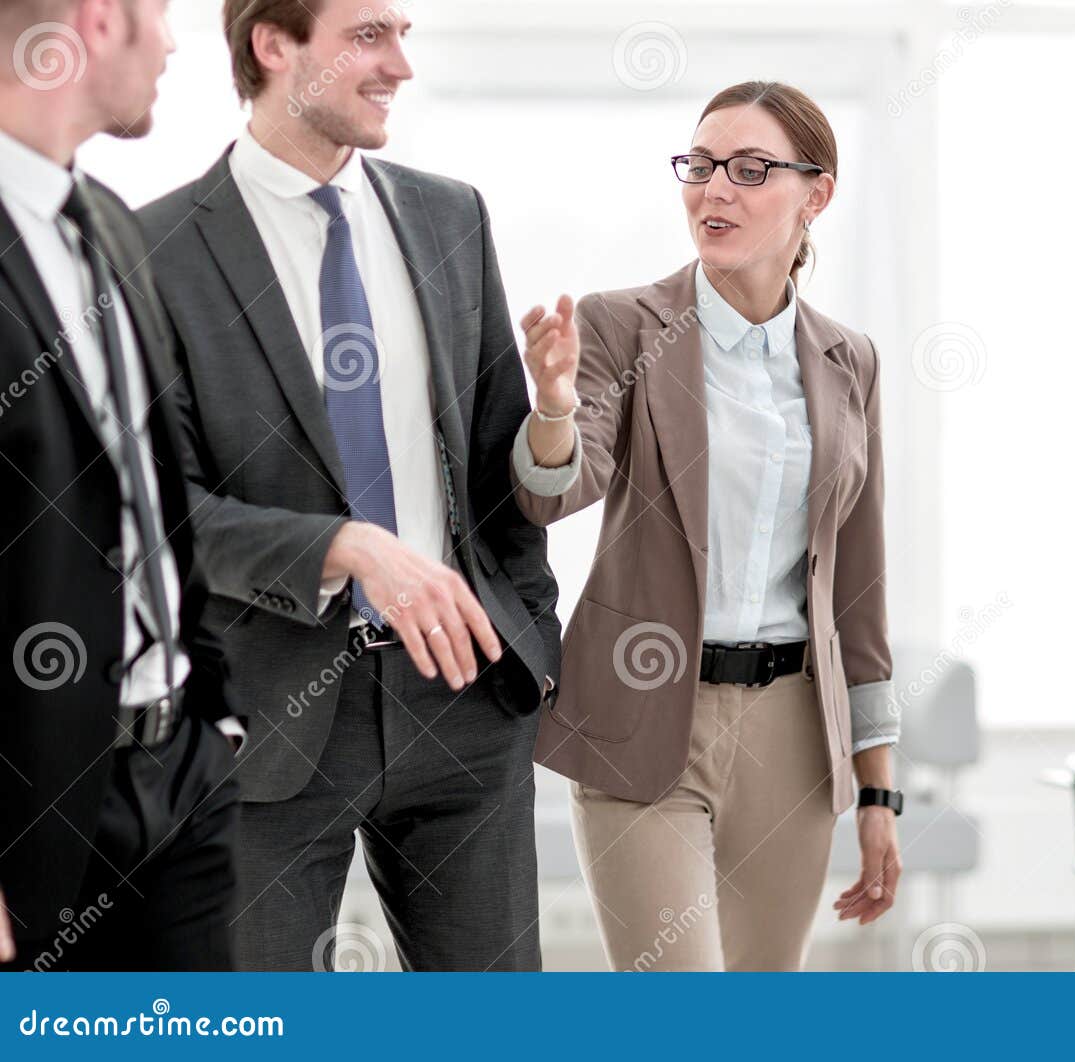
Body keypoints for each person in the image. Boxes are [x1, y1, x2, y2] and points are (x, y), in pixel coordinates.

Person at [137, 0, 566, 971]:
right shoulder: (152, 252)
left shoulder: (449, 214)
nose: (401, 66)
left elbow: (499, 462)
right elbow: (158, 515)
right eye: (369, 36)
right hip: (268, 721)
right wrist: (344, 545)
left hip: (464, 693)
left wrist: (528, 636)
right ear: (274, 45)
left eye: (403, 34)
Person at [514, 81, 900, 971]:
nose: (714, 189)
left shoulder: (852, 361)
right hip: (645, 717)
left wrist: (880, 795)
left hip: (795, 734)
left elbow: (860, 592)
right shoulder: (619, 324)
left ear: (817, 194)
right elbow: (551, 496)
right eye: (700, 165)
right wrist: (555, 405)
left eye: (750, 169)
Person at [0, 0, 240, 971]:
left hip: (181, 782)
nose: (177, 42)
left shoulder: (107, 226)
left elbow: (156, 485)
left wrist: (216, 714)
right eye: (165, 12)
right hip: (29, 819)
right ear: (99, 19)